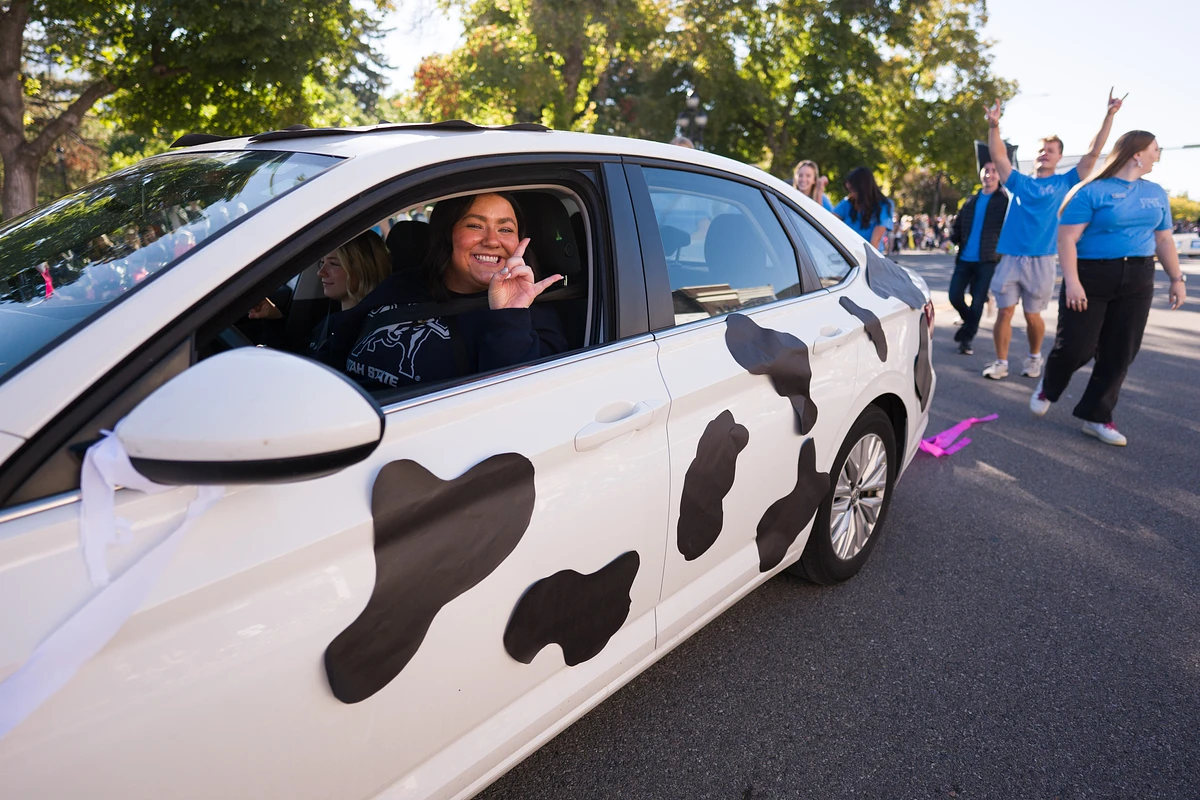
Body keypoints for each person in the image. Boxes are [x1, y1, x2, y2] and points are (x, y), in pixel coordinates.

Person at [1029, 131, 1187, 446]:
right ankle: (1050, 384)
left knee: (1120, 352)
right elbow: (1067, 239)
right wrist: (1072, 282)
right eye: (1155, 149)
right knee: (1077, 347)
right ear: (1136, 154)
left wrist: (1176, 278)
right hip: (1091, 275)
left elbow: (1164, 239)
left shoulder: (1156, 193)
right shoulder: (1091, 191)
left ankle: (1097, 416)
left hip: (1139, 276)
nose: (1159, 155)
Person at [331, 192, 568, 391]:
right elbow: (335, 347)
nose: (492, 241)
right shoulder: (402, 284)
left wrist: (509, 315)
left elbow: (517, 400)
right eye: (475, 225)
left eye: (505, 229)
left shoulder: (532, 317)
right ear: (447, 234)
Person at [980, 89, 1123, 381]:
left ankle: (1034, 357)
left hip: (1043, 260)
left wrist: (1108, 115)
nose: (1045, 153)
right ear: (1036, 154)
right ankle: (1001, 362)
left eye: (1051, 150)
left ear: (1059, 157)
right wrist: (994, 126)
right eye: (1041, 149)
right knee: (1005, 312)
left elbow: (1093, 153)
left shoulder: (1067, 182)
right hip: (1010, 258)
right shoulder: (1018, 182)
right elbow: (997, 155)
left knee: (1033, 316)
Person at [249, 230, 391, 360]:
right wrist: (274, 318)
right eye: (322, 263)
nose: (320, 272)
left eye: (334, 264)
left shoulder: (372, 333)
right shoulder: (332, 322)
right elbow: (303, 357)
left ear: (363, 269)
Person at [948, 161, 1009, 355]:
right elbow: (958, 225)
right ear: (981, 174)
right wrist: (954, 238)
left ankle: (966, 339)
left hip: (987, 260)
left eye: (994, 171)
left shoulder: (1004, 201)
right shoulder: (971, 200)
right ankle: (968, 324)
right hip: (965, 258)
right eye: (986, 171)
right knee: (954, 295)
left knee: (977, 301)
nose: (989, 175)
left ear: (999, 176)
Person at [832, 167, 893, 251]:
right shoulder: (847, 203)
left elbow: (875, 241)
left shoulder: (884, 206)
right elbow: (829, 223)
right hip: (847, 255)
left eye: (853, 190)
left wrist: (871, 262)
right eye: (849, 190)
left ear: (863, 189)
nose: (851, 194)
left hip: (869, 256)